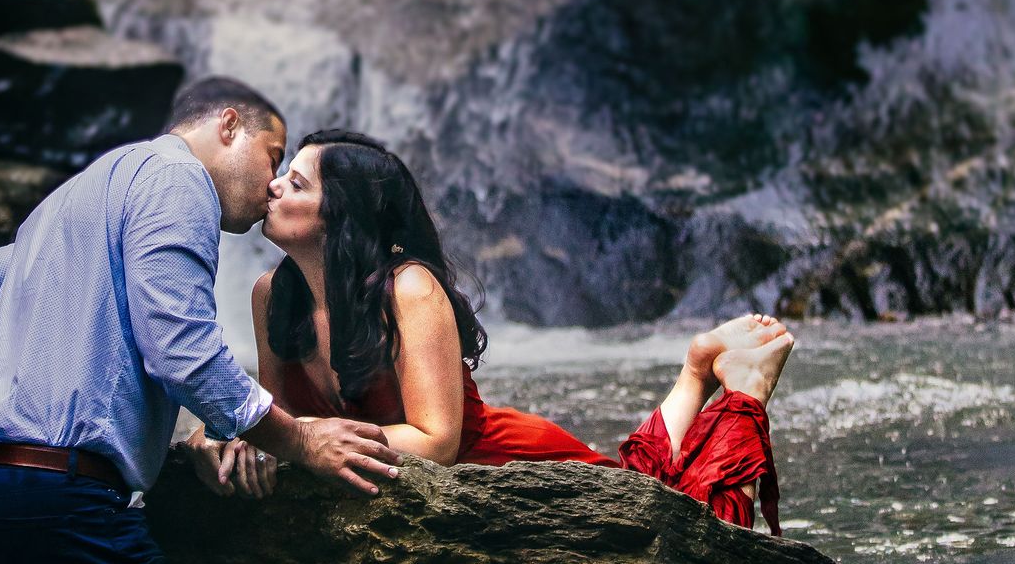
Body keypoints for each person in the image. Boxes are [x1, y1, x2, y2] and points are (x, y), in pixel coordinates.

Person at [0, 80, 401, 564]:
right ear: (228, 126)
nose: (270, 184)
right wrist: (298, 440)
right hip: (56, 500)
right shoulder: (178, 184)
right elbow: (181, 350)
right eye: (271, 154)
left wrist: (33, 384)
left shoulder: (83, 193)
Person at [220, 128, 792, 532]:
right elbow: (274, 414)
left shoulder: (409, 289)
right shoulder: (271, 294)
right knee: (650, 492)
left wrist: (290, 434)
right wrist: (232, 434)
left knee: (681, 515)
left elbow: (435, 442)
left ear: (341, 218)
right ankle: (694, 371)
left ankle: (733, 386)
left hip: (507, 467)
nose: (272, 186)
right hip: (421, 491)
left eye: (296, 184)